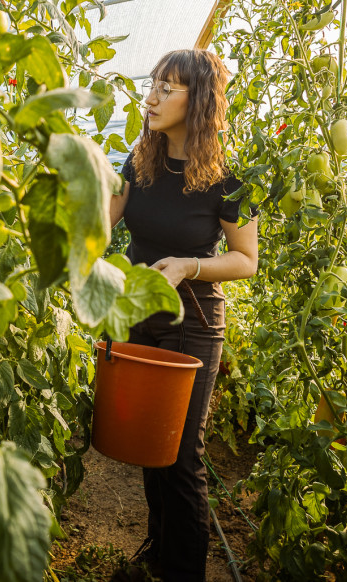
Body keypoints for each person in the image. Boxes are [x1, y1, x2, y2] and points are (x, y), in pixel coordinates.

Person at [108, 48, 259, 581]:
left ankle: (183, 571)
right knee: (152, 445)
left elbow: (246, 260)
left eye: (168, 88)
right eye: (154, 84)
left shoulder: (228, 179)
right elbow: (100, 222)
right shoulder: (138, 161)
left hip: (194, 322)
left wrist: (189, 266)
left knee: (182, 456)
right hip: (142, 313)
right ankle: (159, 547)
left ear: (199, 102)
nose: (152, 96)